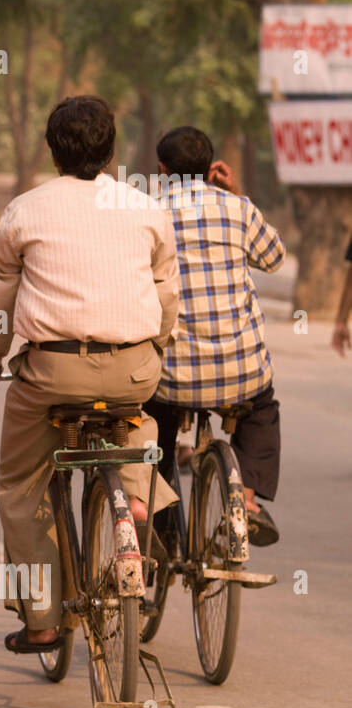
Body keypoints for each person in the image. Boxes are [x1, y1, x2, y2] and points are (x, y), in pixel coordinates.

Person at [0, 95, 180, 653]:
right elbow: (166, 295)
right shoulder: (145, 209)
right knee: (136, 424)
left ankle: (41, 620)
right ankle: (135, 496)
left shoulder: (24, 211)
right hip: (135, 366)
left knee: (21, 485)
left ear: (50, 149)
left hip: (54, 371)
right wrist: (151, 347)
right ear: (112, 150)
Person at [143, 127, 285, 546]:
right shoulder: (238, 209)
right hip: (241, 372)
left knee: (153, 421)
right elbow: (274, 257)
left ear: (162, 170)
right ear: (211, 169)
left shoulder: (150, 212)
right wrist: (239, 195)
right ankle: (247, 498)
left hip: (172, 376)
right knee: (263, 408)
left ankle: (161, 522)